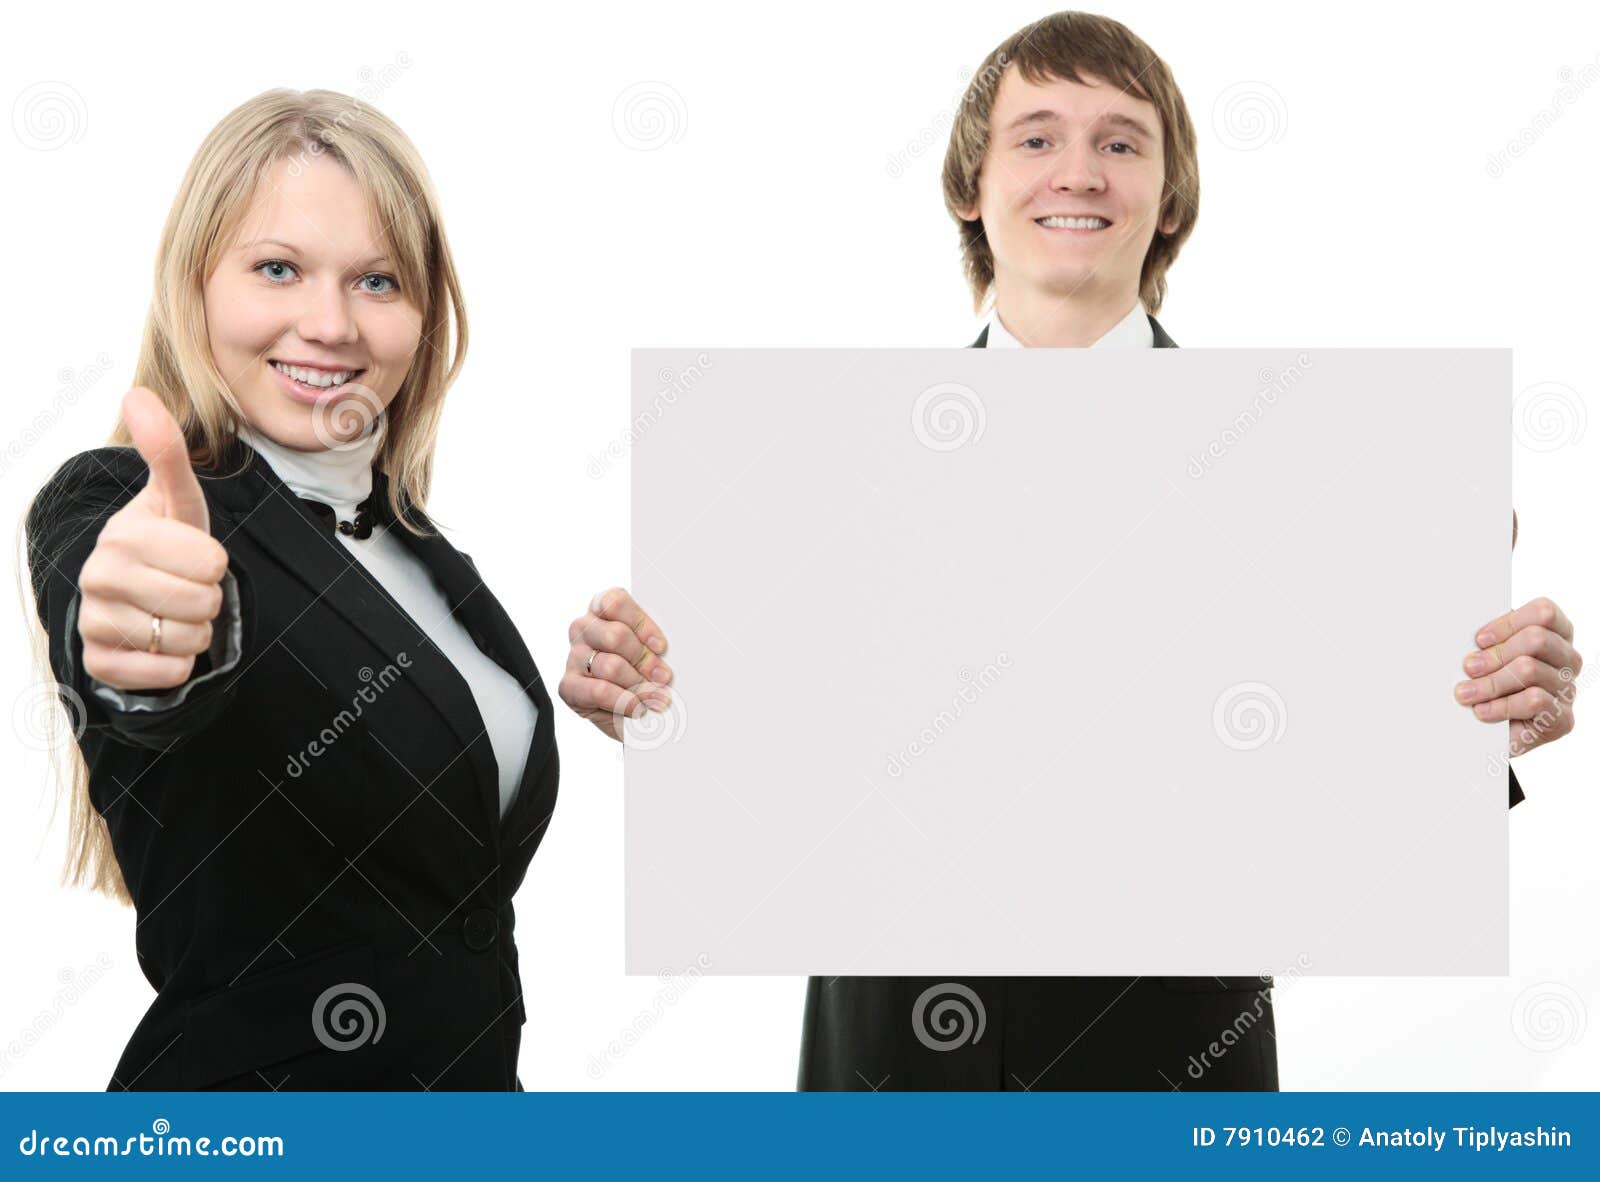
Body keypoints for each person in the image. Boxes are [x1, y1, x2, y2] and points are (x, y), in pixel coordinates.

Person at [559, 11, 1581, 1090]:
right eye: (1036, 137)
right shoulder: (826, 474)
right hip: (888, 1077)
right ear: (970, 183)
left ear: (1169, 194)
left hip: (1165, 1072)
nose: (1079, 172)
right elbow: (777, 779)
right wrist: (662, 713)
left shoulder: (1300, 475)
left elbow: (1351, 795)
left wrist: (1482, 726)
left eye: (1121, 142)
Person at [23, 89, 557, 1090]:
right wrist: (148, 647)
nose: (331, 323)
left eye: (378, 281)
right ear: (196, 286)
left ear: (424, 313)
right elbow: (140, 647)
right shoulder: (122, 505)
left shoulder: (421, 553)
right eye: (278, 269)